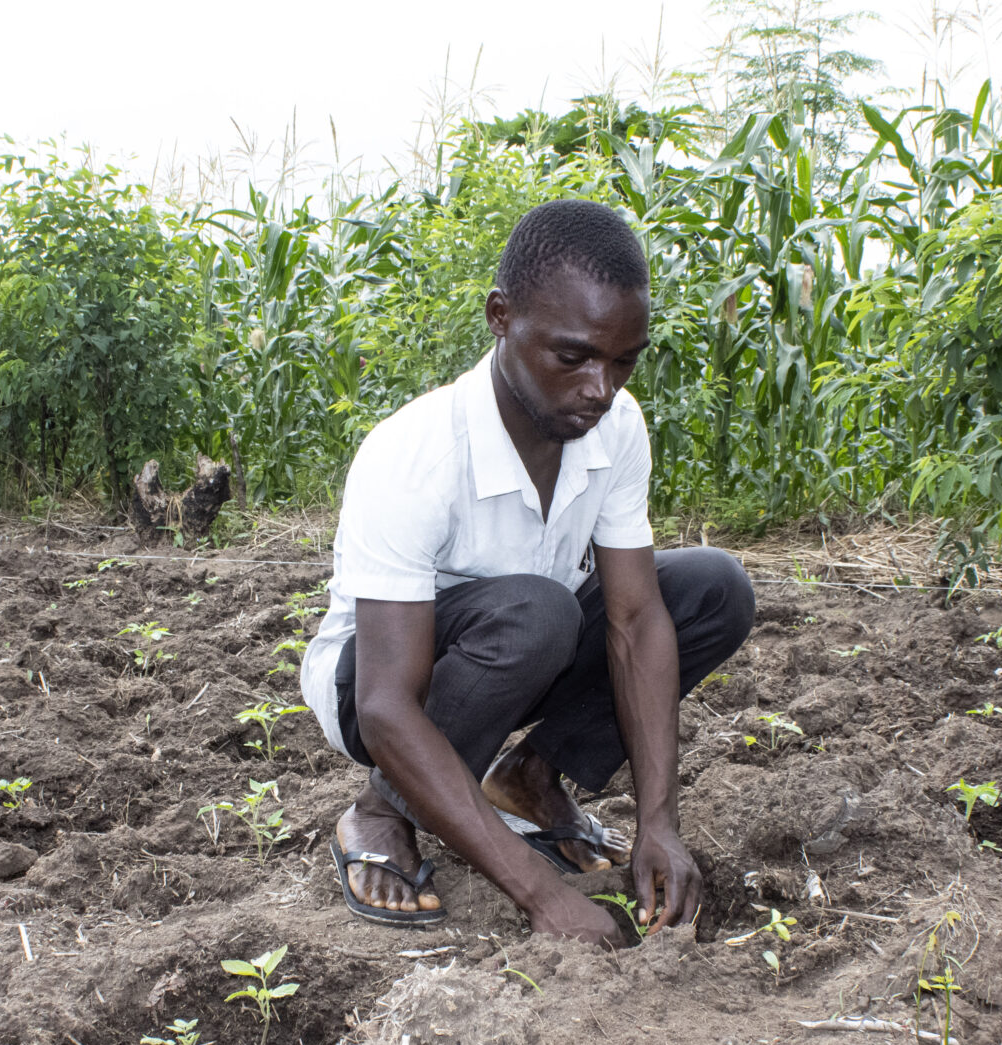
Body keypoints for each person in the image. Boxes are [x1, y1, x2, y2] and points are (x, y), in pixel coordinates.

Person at [299, 199, 755, 946]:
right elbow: (384, 704)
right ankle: (381, 811)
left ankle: (532, 777)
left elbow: (635, 621)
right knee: (537, 614)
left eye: (623, 361)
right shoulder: (413, 454)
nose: (599, 388)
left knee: (714, 589)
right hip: (383, 684)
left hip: (527, 647)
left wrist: (658, 824)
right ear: (501, 316)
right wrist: (542, 894)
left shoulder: (616, 428)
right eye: (572, 356)